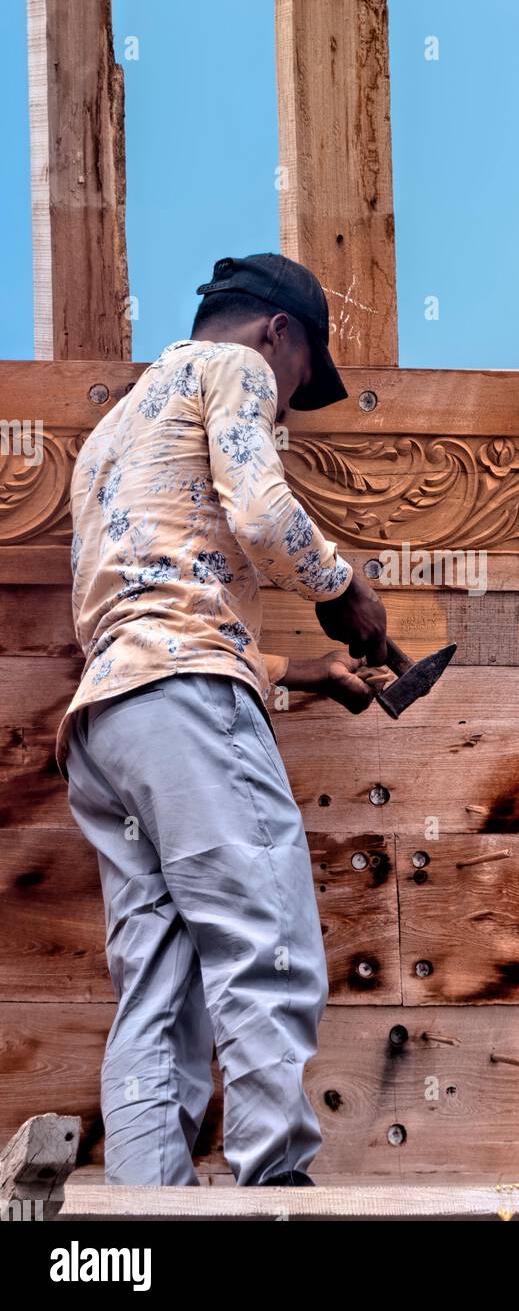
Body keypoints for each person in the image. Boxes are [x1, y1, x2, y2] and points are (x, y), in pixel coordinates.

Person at [56, 253, 388, 1187]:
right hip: (185, 702)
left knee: (156, 983)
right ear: (278, 333)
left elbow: (160, 602)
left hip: (110, 726)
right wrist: (341, 591)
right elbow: (259, 506)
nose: (283, 406)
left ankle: (147, 1208)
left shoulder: (112, 434)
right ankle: (274, 1181)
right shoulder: (233, 369)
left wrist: (305, 675)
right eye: (297, 383)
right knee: (264, 935)